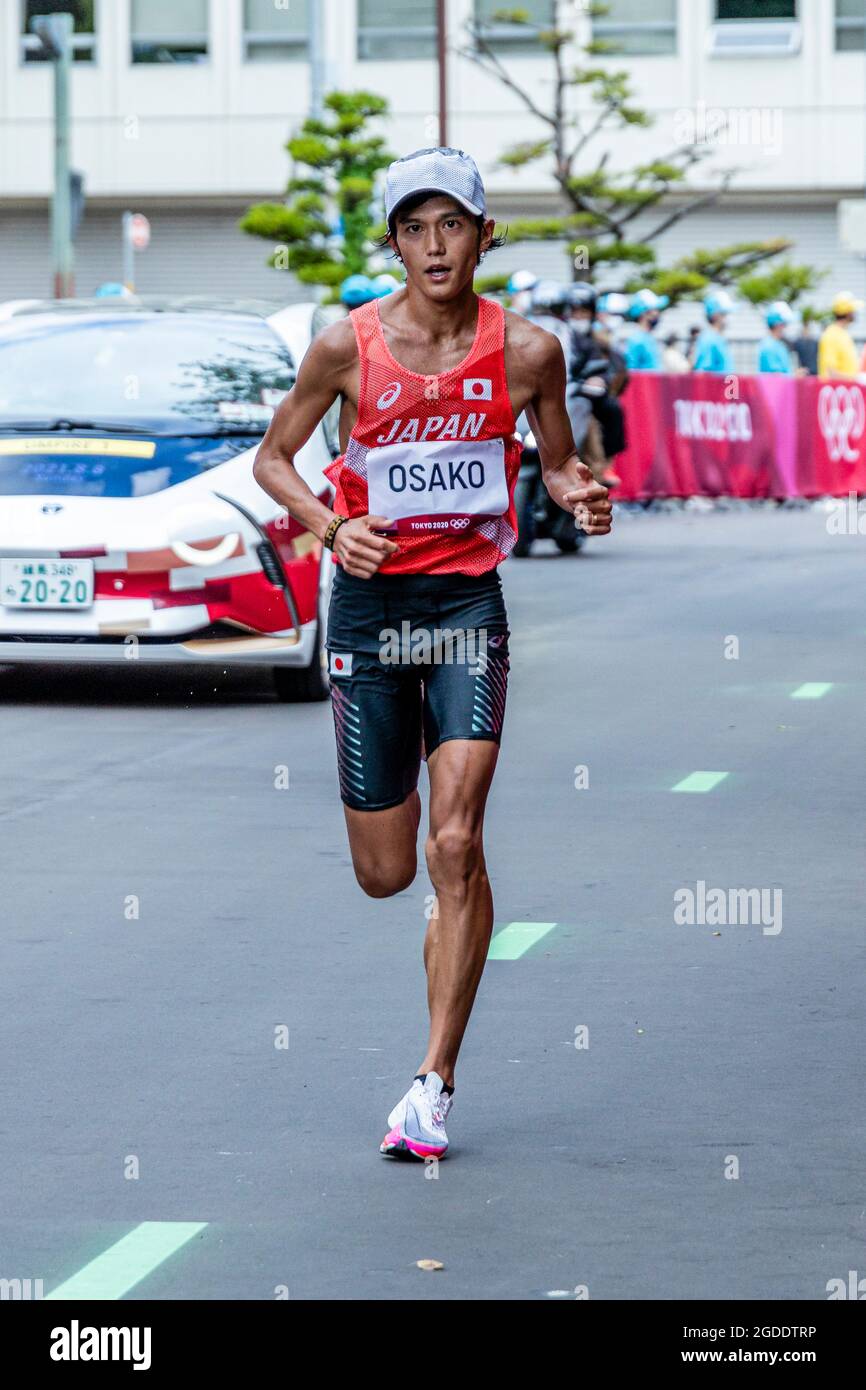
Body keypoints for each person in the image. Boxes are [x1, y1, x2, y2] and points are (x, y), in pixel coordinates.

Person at [252, 146, 612, 1161]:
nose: (432, 245)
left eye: (450, 223)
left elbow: (554, 466)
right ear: (394, 243)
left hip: (462, 605)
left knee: (457, 842)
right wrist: (328, 527)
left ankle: (432, 1081)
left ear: (484, 235)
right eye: (412, 228)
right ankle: (433, 907)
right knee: (383, 870)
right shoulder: (344, 347)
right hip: (369, 612)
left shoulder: (528, 353)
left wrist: (579, 494)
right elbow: (272, 460)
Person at [818, 293, 862, 379]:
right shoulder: (831, 335)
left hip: (847, 390)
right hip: (837, 390)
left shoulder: (843, 334)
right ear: (848, 312)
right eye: (853, 310)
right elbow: (830, 373)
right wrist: (856, 379)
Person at [623, 289, 669, 371]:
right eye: (655, 309)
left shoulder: (650, 337)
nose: (658, 314)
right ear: (644, 313)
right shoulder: (636, 339)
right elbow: (631, 371)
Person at [693, 291, 736, 374]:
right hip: (716, 386)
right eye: (725, 314)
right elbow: (702, 373)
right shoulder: (708, 339)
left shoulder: (718, 338)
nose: (728, 317)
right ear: (715, 315)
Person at [757, 302, 795, 374]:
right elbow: (775, 376)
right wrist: (794, 376)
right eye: (784, 324)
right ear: (778, 325)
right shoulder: (768, 346)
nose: (785, 327)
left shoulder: (778, 344)